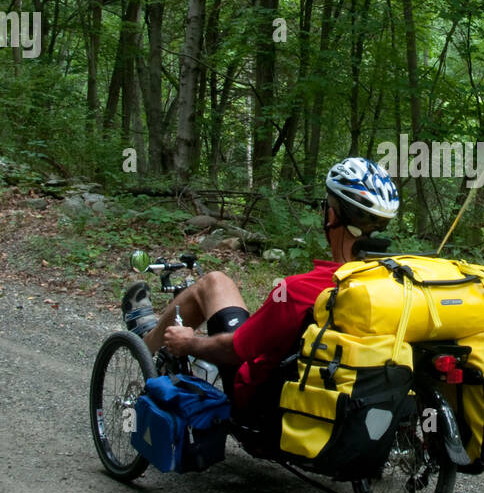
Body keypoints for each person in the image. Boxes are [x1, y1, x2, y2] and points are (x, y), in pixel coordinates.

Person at [121, 158, 399, 433]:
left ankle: (147, 343)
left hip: (260, 404)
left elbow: (235, 350)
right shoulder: (393, 287)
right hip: (349, 400)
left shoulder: (299, 289)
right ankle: (152, 337)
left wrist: (190, 343)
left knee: (214, 282)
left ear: (331, 216)